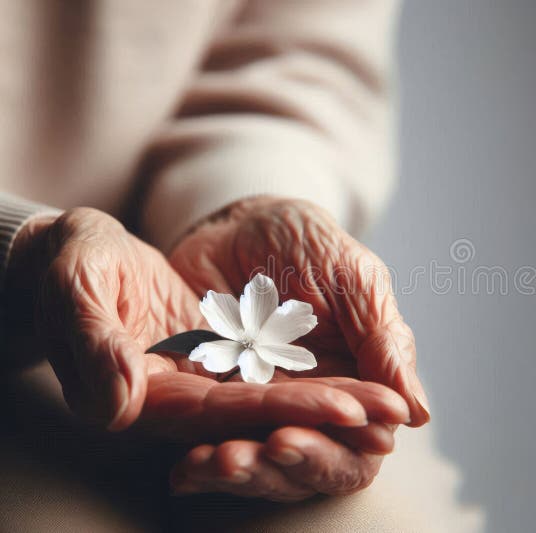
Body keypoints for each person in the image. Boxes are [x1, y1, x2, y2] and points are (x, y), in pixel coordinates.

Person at [0, 1, 483, 531]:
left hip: (162, 294)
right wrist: (26, 252)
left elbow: (300, 63)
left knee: (371, 520)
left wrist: (245, 199)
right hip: (32, 328)